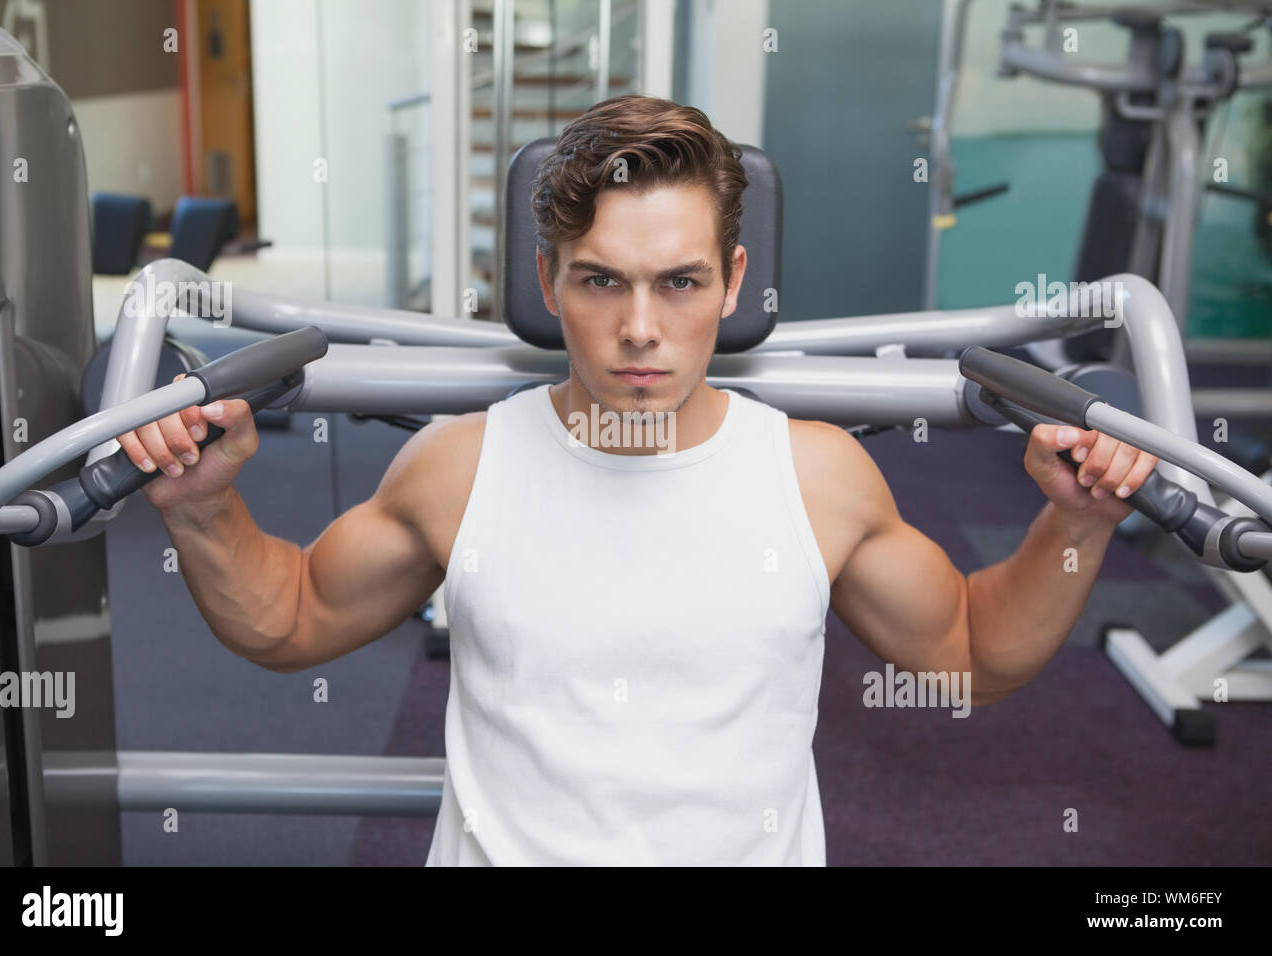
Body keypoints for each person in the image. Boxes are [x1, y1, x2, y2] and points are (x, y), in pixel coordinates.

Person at [115, 94, 1159, 866]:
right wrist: (204, 508)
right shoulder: (459, 465)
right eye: (601, 280)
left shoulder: (816, 476)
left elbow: (968, 654)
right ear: (548, 280)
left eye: (681, 282)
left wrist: (1073, 523)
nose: (641, 329)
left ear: (734, 282)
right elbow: (291, 618)